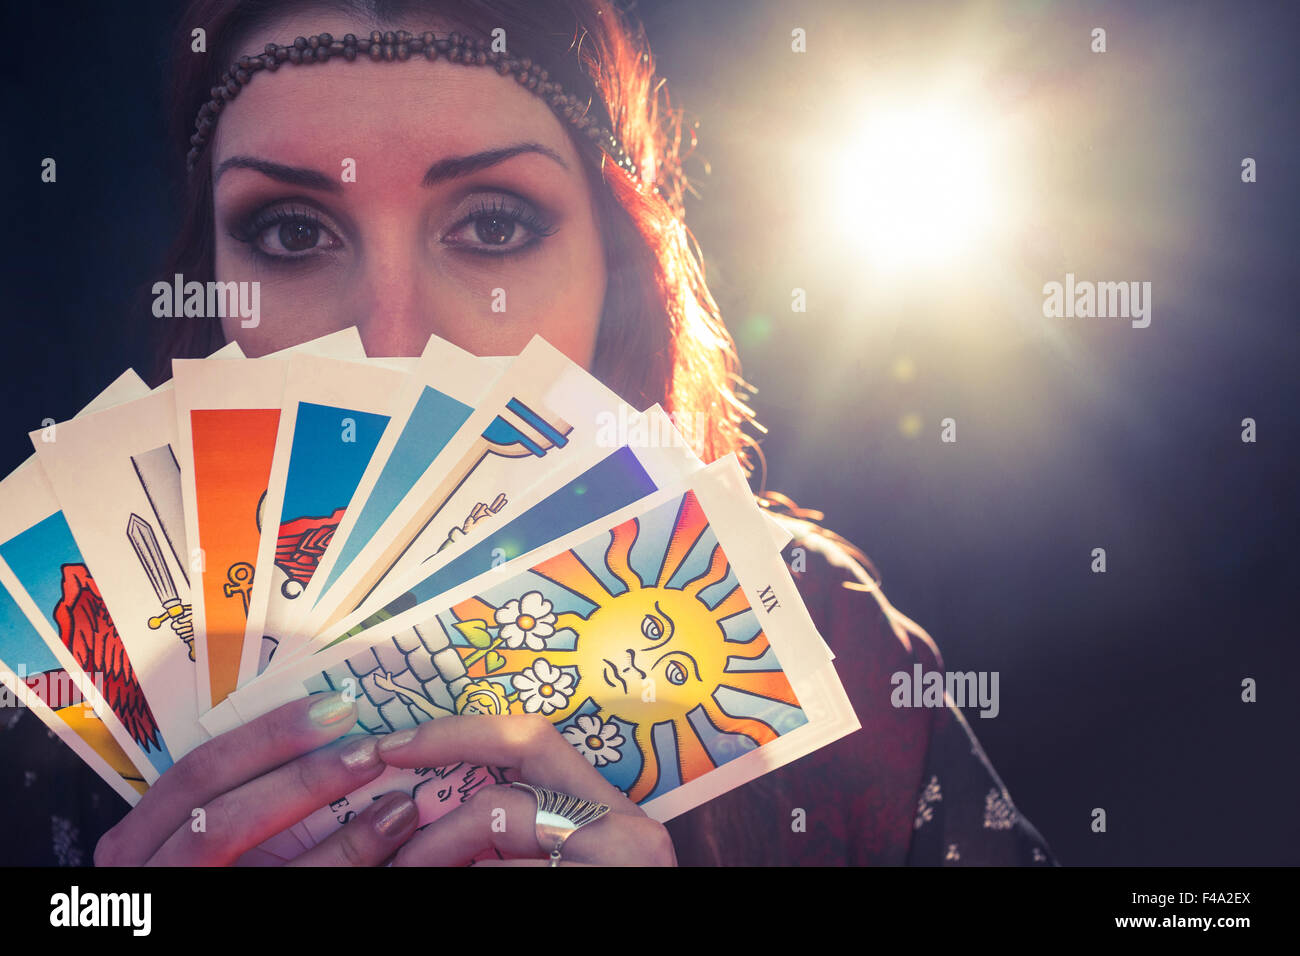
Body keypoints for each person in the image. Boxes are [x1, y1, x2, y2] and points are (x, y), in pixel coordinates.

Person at [7, 0, 1058, 866]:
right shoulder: (53, 688)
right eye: (291, 232)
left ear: (620, 273)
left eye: (495, 225)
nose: (390, 341)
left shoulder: (826, 638)